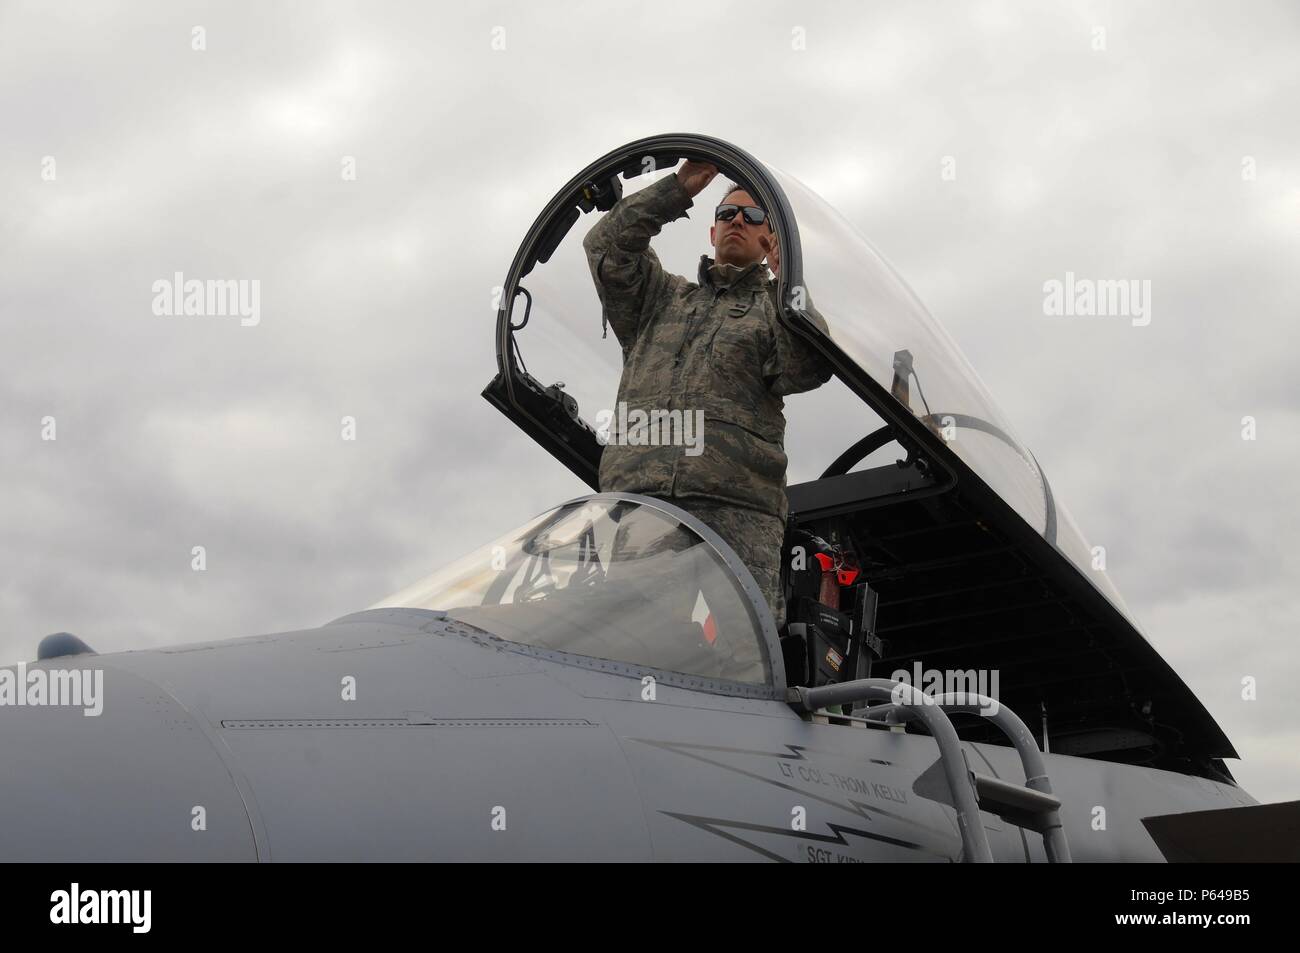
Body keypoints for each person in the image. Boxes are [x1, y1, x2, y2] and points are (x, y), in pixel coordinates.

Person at [582, 159, 833, 629]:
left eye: (753, 217)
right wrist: (678, 188)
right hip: (643, 503)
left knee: (746, 652)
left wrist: (789, 285)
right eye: (727, 214)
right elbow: (606, 247)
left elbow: (808, 366)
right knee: (631, 642)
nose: (737, 221)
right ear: (712, 231)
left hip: (737, 511)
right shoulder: (658, 299)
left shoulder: (772, 309)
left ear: (769, 240)